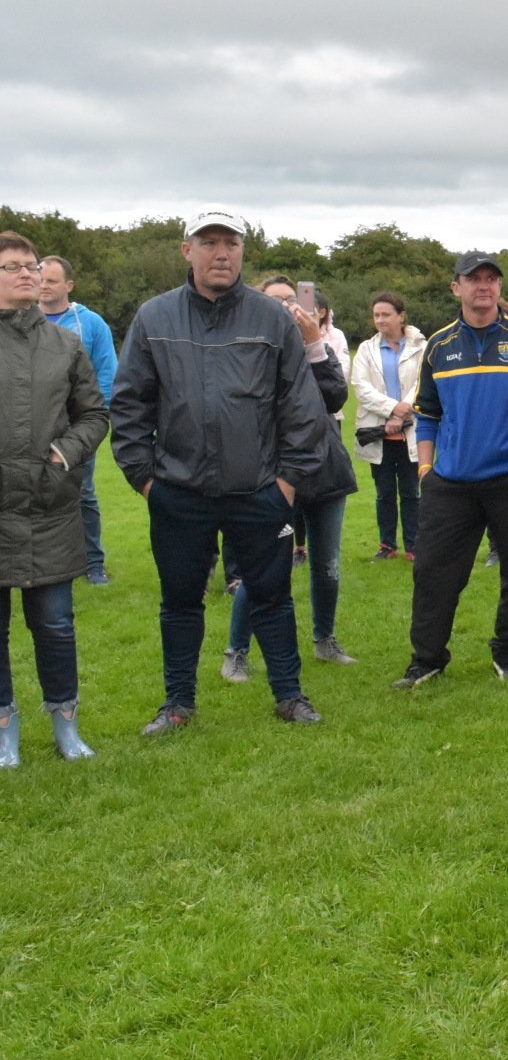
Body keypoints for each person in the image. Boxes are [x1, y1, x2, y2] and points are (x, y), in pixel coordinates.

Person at [111, 207, 331, 733]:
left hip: (258, 490)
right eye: (208, 242)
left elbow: (300, 407)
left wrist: (285, 482)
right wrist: (146, 479)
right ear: (187, 250)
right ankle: (178, 704)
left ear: (242, 251)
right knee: (181, 601)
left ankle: (289, 695)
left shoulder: (271, 318)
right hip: (178, 491)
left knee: (273, 596)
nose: (221, 253)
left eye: (230, 243)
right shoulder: (154, 317)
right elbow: (129, 405)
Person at [392, 251, 508, 688]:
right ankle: (428, 659)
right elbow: (428, 413)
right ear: (455, 288)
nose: (484, 286)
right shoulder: (439, 346)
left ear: (499, 287)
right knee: (433, 574)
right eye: (473, 278)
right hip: (452, 483)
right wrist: (425, 468)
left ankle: (507, 654)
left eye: (491, 279)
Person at [0, 230, 110, 765]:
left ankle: (66, 726)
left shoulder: (66, 344)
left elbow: (94, 414)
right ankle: (6, 733)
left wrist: (64, 455)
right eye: (13, 266)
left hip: (49, 507)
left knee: (56, 626)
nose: (27, 273)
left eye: (32, 265)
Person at [224, 275, 359, 675]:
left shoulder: (318, 347)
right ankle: (236, 652)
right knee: (263, 565)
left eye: (291, 300)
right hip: (271, 471)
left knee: (327, 565)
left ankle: (324, 640)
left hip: (324, 468)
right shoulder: (248, 348)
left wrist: (314, 343)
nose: (286, 307)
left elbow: (334, 397)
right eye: (275, 301)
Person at [37, 255, 116, 585]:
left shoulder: (90, 324)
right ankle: (38, 565)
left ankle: (93, 563)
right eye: (40, 279)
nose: (43, 285)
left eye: (51, 281)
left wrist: (93, 420)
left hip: (76, 427)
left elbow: (108, 372)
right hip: (31, 426)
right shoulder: (16, 320)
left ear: (68, 285)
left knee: (81, 492)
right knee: (27, 495)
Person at [350, 291, 427, 560]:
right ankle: (387, 545)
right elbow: (361, 387)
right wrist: (392, 409)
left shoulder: (421, 346)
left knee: (410, 493)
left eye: (386, 314)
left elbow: (423, 382)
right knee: (384, 494)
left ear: (401, 316)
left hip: (411, 430)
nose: (380, 320)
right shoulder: (366, 349)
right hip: (378, 432)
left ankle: (414, 546)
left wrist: (404, 409)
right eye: (376, 315)